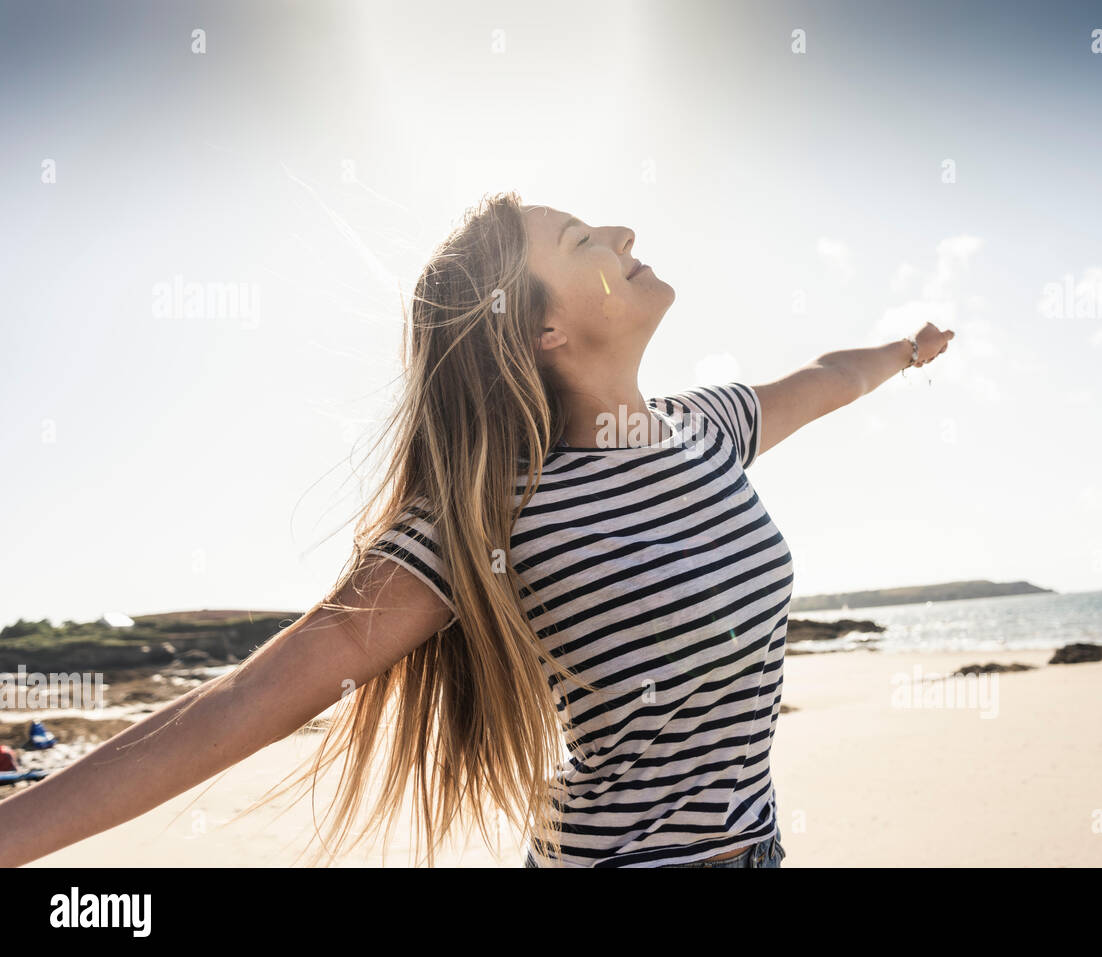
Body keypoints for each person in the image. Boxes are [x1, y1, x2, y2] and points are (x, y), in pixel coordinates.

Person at [0, 192, 953, 868]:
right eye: (585, 239)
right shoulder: (484, 513)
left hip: (760, 846)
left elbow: (832, 376)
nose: (624, 231)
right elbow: (253, 697)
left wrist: (906, 353)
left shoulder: (710, 426)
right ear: (543, 330)